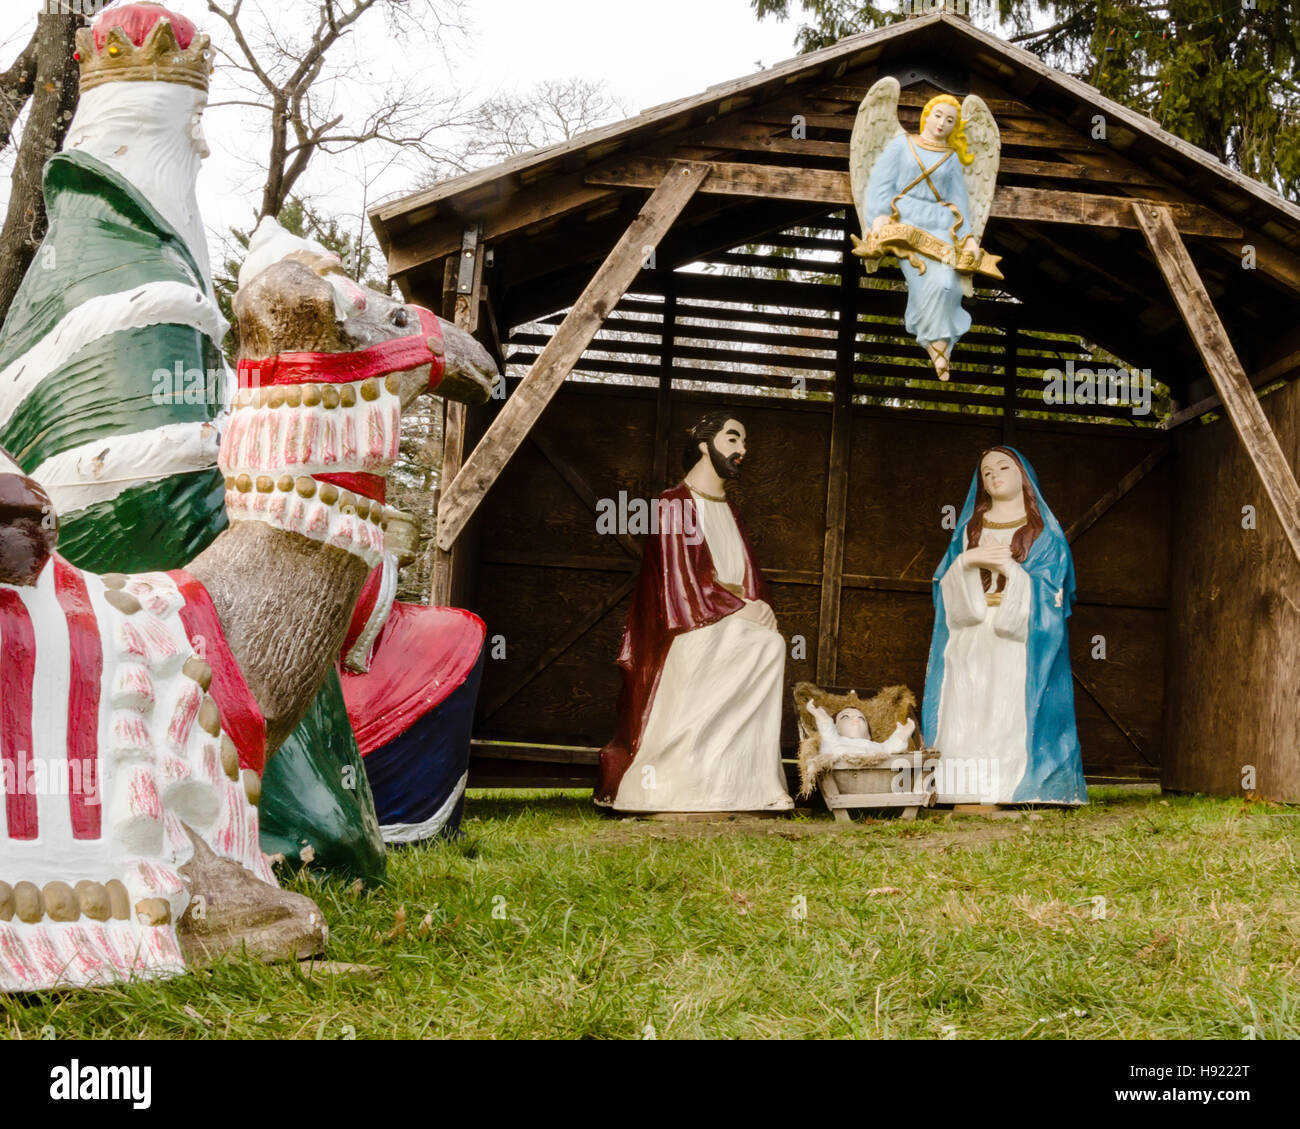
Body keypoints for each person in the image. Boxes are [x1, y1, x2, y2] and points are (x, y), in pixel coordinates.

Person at [594, 411, 793, 813]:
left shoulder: (730, 511)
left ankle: (747, 783)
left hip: (727, 616)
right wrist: (737, 609)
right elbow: (680, 583)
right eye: (733, 439)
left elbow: (746, 574)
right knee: (764, 648)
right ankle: (673, 784)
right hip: (689, 626)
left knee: (771, 643)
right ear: (704, 444)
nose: (742, 450)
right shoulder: (674, 503)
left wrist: (757, 607)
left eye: (744, 442)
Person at [922, 446, 1087, 805]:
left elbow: (1051, 590)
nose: (995, 476)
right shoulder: (970, 529)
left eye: (1003, 468)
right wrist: (970, 559)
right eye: (986, 472)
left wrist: (1011, 571)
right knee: (967, 702)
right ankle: (964, 787)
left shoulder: (1044, 533)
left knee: (1008, 709)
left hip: (1017, 637)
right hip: (973, 630)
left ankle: (1013, 785)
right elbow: (944, 584)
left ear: (1022, 475)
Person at [862, 94, 980, 380]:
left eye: (950, 120)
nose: (942, 123)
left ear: (955, 127)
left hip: (941, 226)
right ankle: (935, 345)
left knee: (948, 286)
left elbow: (959, 201)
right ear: (927, 114)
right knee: (928, 281)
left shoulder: (951, 158)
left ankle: (943, 344)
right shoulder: (901, 145)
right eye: (938, 115)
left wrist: (970, 239)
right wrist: (878, 215)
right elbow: (881, 182)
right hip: (905, 223)